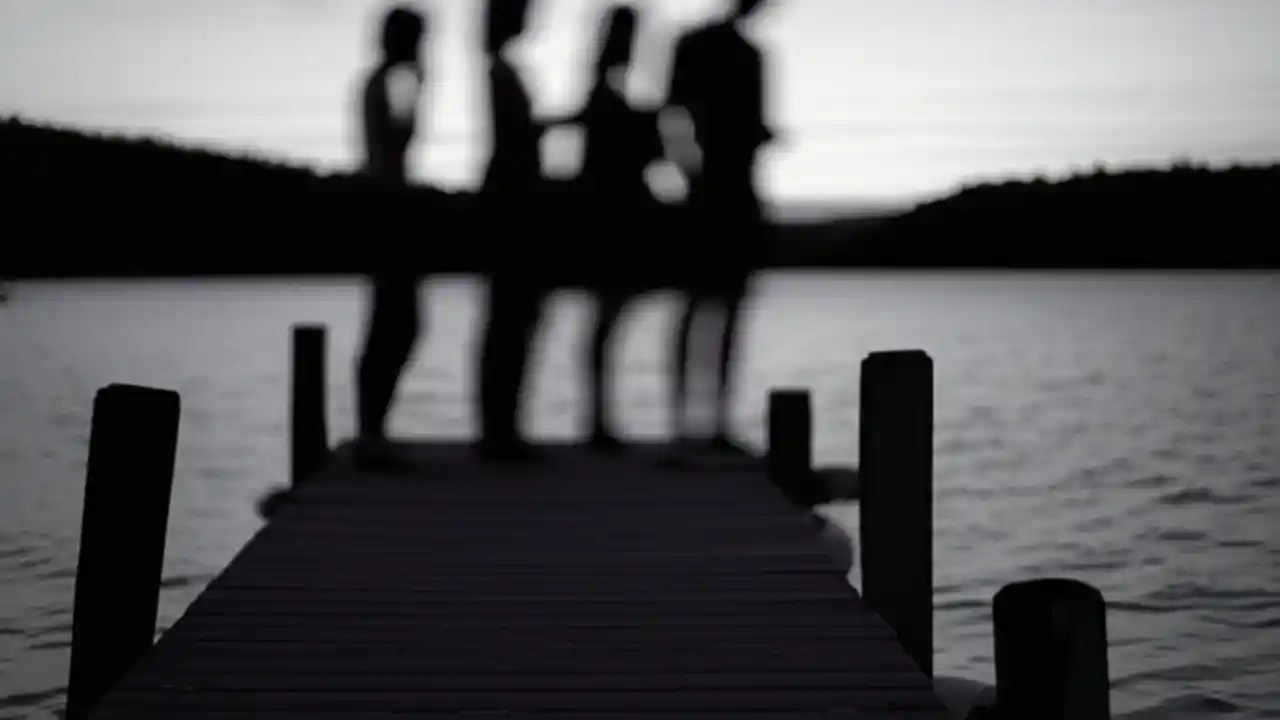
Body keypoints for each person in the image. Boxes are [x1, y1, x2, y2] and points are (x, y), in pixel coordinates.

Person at [664, 0, 774, 454]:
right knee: (705, 308)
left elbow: (676, 115)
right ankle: (690, 424)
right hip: (717, 191)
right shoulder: (707, 47)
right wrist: (692, 171)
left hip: (733, 190)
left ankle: (711, 423)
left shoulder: (749, 52)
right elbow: (674, 114)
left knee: (722, 309)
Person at [555, 4, 664, 452]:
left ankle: (598, 419)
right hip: (612, 219)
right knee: (605, 323)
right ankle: (597, 421)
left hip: (614, 217)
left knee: (605, 323)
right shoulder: (605, 94)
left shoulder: (605, 91)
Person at [474, 0, 551, 461]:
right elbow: (516, 136)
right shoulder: (502, 72)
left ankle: (502, 426)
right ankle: (500, 430)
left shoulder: (501, 69)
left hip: (511, 200)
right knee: (511, 319)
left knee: (509, 318)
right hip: (513, 203)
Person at [354, 6, 428, 468]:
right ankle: (371, 431)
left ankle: (374, 429)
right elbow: (399, 139)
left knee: (394, 320)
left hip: (387, 208)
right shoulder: (387, 82)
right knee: (395, 322)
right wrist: (425, 87)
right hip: (387, 211)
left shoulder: (381, 80)